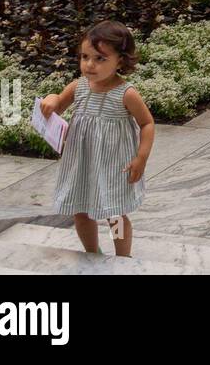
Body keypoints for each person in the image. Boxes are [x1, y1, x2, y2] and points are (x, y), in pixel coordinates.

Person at [41, 20, 154, 258]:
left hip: (113, 165)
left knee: (115, 213)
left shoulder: (126, 93)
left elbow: (147, 123)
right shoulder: (78, 86)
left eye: (100, 59)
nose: (90, 65)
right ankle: (93, 254)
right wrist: (51, 100)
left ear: (120, 61)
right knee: (80, 210)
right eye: (85, 57)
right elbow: (58, 105)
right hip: (81, 162)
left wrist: (141, 158)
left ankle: (124, 258)